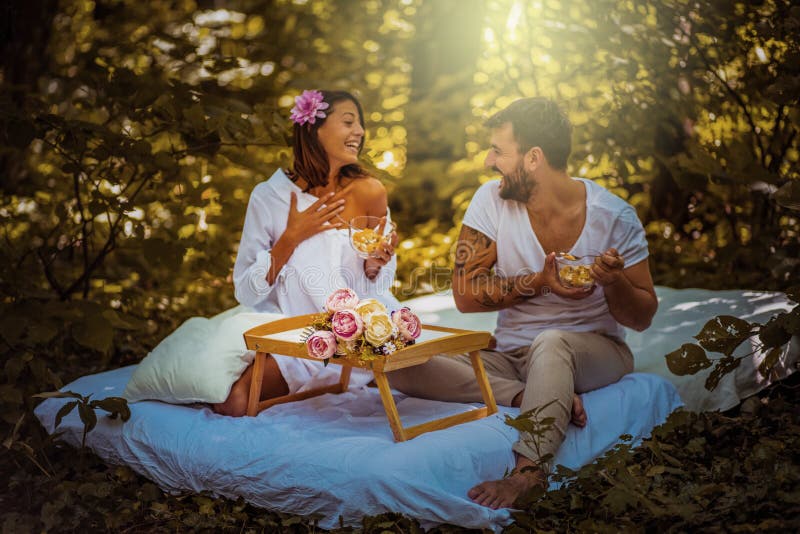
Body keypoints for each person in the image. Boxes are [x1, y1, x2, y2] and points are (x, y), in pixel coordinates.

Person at [388, 97, 658, 509]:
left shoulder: (614, 217)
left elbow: (643, 316)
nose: (487, 160)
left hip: (593, 349)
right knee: (401, 360)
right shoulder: (490, 200)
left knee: (552, 342)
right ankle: (527, 394)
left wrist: (614, 281)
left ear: (533, 158)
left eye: (498, 150)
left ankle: (528, 474)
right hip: (512, 355)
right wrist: (540, 282)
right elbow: (464, 295)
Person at [213, 89, 399, 416]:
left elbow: (376, 288)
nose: (360, 132)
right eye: (348, 122)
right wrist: (291, 238)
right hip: (297, 332)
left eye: (360, 124)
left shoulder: (369, 191)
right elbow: (246, 291)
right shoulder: (269, 196)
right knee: (235, 402)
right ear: (314, 129)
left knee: (425, 363)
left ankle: (351, 376)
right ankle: (328, 381)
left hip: (356, 329)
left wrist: (373, 266)